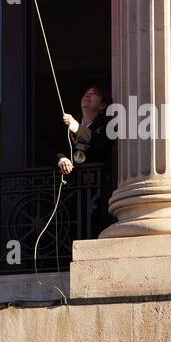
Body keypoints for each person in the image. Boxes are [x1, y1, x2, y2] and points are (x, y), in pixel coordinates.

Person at [57, 85, 113, 235]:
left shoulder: (106, 125)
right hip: (71, 191)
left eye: (93, 94)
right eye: (86, 93)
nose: (87, 96)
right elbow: (56, 148)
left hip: (95, 194)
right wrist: (62, 159)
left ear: (102, 105)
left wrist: (76, 126)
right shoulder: (68, 126)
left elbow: (101, 144)